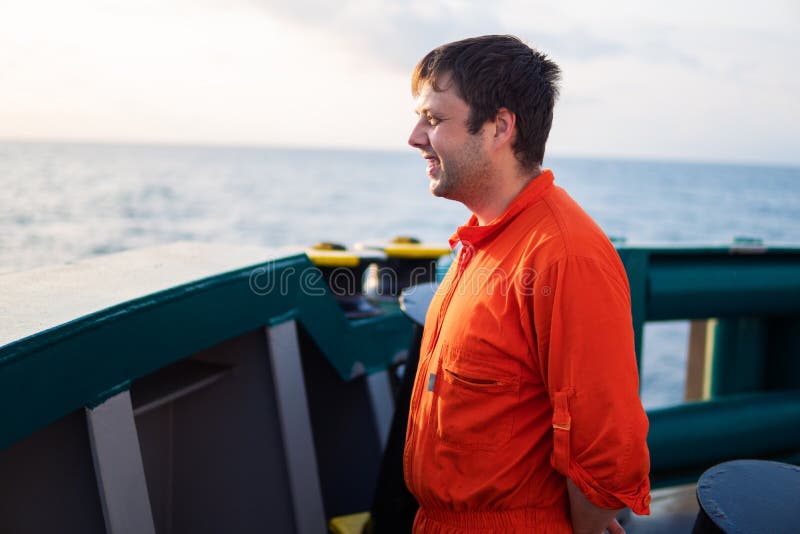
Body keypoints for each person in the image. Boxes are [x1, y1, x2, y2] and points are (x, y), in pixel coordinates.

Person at [403, 35, 651, 534]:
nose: (414, 136)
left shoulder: (565, 254)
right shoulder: (490, 241)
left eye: (434, 119)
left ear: (499, 127)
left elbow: (608, 453)